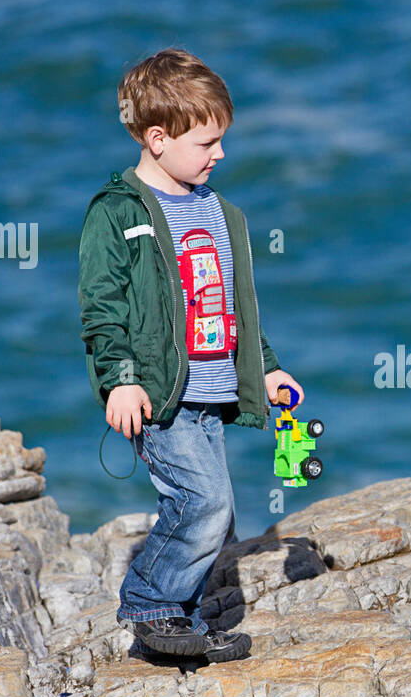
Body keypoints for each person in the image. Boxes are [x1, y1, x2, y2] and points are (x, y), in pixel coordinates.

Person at [77, 48, 305, 661]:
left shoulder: (221, 213)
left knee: (217, 515)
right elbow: (103, 308)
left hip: (214, 392)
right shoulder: (119, 212)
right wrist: (121, 380)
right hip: (160, 394)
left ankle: (191, 624)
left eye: (221, 140)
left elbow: (237, 307)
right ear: (157, 138)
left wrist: (267, 366)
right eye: (207, 142)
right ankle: (150, 603)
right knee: (203, 502)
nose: (219, 154)